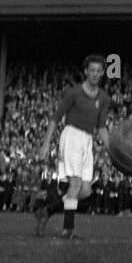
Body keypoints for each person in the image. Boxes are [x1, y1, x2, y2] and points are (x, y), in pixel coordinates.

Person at [38, 54, 112, 239]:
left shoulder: (103, 97)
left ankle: (47, 212)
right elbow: (56, 117)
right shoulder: (74, 92)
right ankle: (68, 230)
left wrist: (113, 148)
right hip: (71, 136)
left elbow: (101, 127)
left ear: (103, 73)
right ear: (86, 72)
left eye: (98, 71)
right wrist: (46, 143)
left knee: (85, 191)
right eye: (92, 70)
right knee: (75, 184)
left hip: (87, 140)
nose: (95, 74)